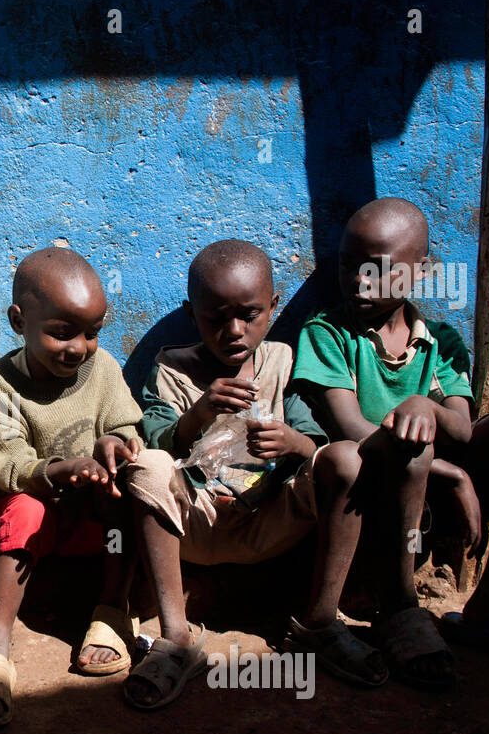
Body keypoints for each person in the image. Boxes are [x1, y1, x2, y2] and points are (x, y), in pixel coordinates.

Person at [292, 197, 489, 687]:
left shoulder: (439, 340)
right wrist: (449, 468)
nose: (360, 281)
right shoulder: (328, 333)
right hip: (374, 482)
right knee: (412, 440)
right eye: (348, 266)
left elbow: (462, 430)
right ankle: (400, 605)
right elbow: (352, 430)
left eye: (378, 270)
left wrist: (428, 410)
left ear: (421, 272)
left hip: (433, 484)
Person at [0, 246, 202, 722]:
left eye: (93, 332)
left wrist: (115, 444)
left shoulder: (103, 369)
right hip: (39, 522)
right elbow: (4, 460)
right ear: (18, 320)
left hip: (98, 521)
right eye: (61, 333)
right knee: (23, 506)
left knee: (123, 485)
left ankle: (112, 610)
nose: (79, 347)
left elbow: (127, 427)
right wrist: (54, 471)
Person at [138, 239, 385, 692]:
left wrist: (292, 441)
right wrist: (200, 412)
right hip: (197, 523)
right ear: (192, 315)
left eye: (249, 315)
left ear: (273, 307)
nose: (234, 330)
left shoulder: (282, 364)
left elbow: (318, 445)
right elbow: (156, 438)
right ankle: (176, 639)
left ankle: (320, 623)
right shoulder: (170, 370)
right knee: (149, 465)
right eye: (216, 317)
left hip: (271, 520)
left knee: (347, 458)